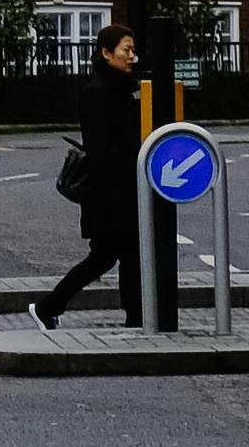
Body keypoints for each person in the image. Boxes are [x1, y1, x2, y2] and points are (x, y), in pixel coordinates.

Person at [37, 26, 162, 328]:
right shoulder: (98, 92)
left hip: (126, 188)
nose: (132, 56)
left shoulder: (122, 89)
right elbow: (101, 148)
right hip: (109, 193)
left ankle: (135, 317)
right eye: (126, 50)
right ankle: (48, 306)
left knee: (122, 254)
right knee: (110, 255)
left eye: (133, 50)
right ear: (106, 53)